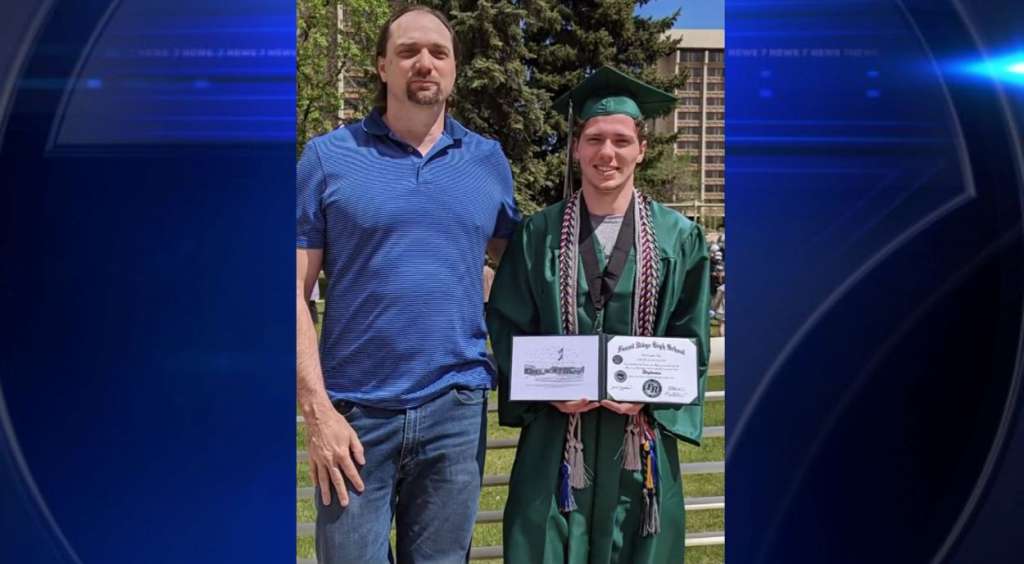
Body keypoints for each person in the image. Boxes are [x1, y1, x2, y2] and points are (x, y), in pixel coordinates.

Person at [295, 5, 520, 563]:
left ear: (455, 69)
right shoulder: (327, 158)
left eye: (438, 53)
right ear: (381, 66)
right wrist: (317, 414)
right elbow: (291, 293)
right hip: (354, 418)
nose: (425, 63)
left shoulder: (488, 161)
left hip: (456, 408)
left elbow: (519, 270)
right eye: (408, 52)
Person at [487, 66, 711, 563]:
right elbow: (507, 324)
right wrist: (546, 387)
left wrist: (653, 393)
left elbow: (691, 336)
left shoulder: (680, 237)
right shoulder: (537, 235)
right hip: (555, 439)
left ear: (641, 149)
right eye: (593, 139)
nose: (606, 153)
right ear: (576, 148)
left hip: (640, 439)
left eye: (620, 140)